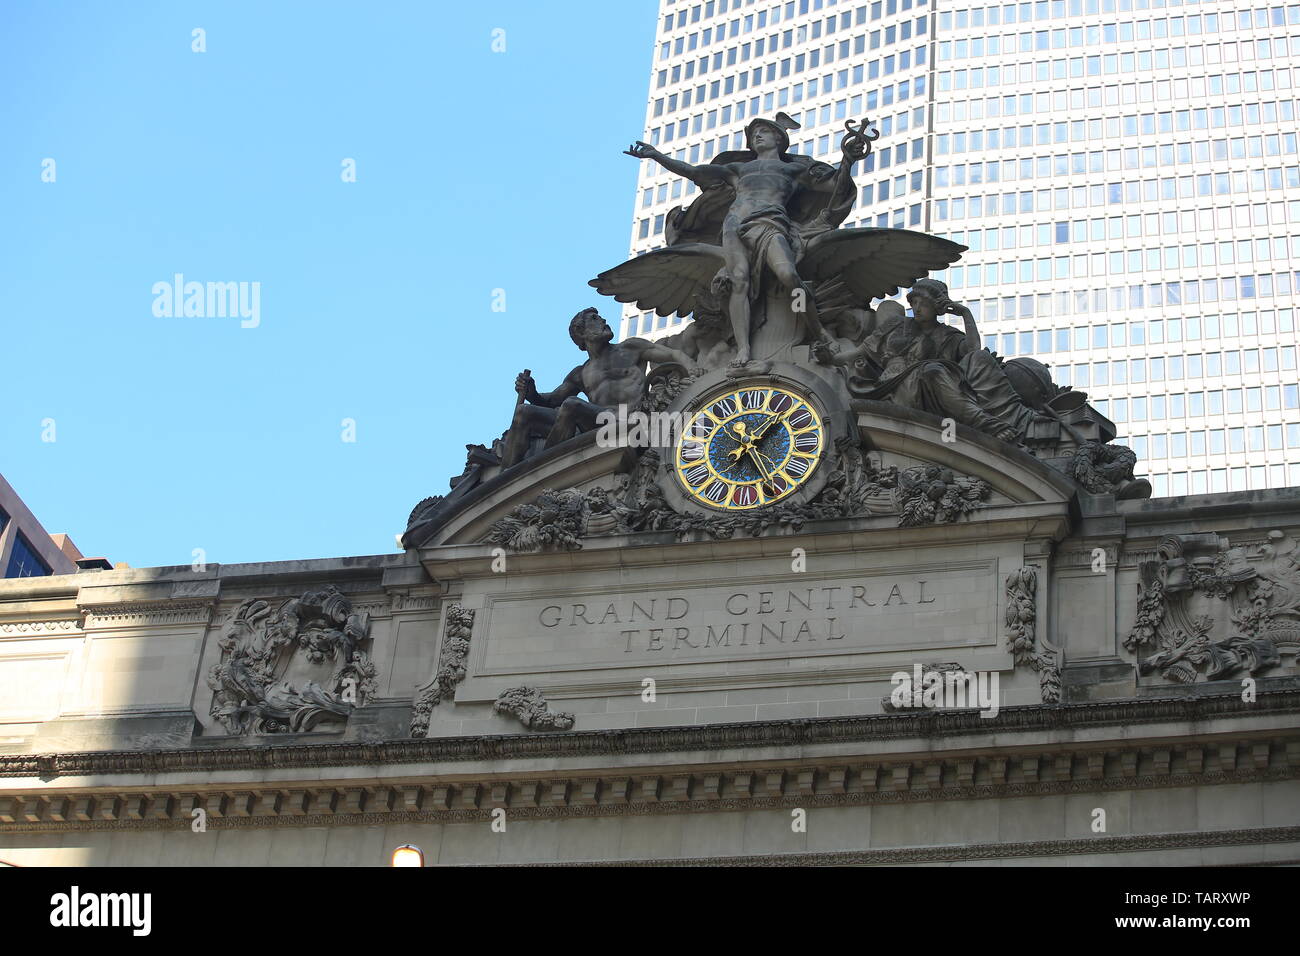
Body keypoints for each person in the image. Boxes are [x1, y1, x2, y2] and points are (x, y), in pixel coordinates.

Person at [625, 113, 861, 367]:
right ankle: (744, 348)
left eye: (763, 131)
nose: (756, 136)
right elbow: (694, 172)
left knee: (789, 276)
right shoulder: (739, 169)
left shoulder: (795, 170)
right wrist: (657, 156)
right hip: (735, 226)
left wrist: (848, 161)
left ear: (779, 138)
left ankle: (818, 330)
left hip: (771, 223)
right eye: (753, 134)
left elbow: (836, 186)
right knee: (739, 281)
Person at [815, 279, 1018, 442]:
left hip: (927, 391)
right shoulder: (895, 325)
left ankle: (985, 422)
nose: (917, 308)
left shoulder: (947, 335)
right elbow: (859, 352)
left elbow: (973, 351)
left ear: (938, 306)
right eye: (914, 303)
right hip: (888, 388)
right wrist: (831, 358)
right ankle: (986, 423)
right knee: (933, 370)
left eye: (924, 303)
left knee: (933, 370)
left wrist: (965, 314)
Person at [499, 308, 692, 468]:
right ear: (581, 333)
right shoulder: (580, 373)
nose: (604, 320)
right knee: (523, 412)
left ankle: (547, 467)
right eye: (595, 319)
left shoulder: (631, 348)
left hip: (629, 419)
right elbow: (549, 401)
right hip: (597, 424)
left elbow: (675, 355)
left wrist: (695, 371)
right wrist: (530, 390)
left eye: (600, 317)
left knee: (572, 405)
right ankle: (505, 481)